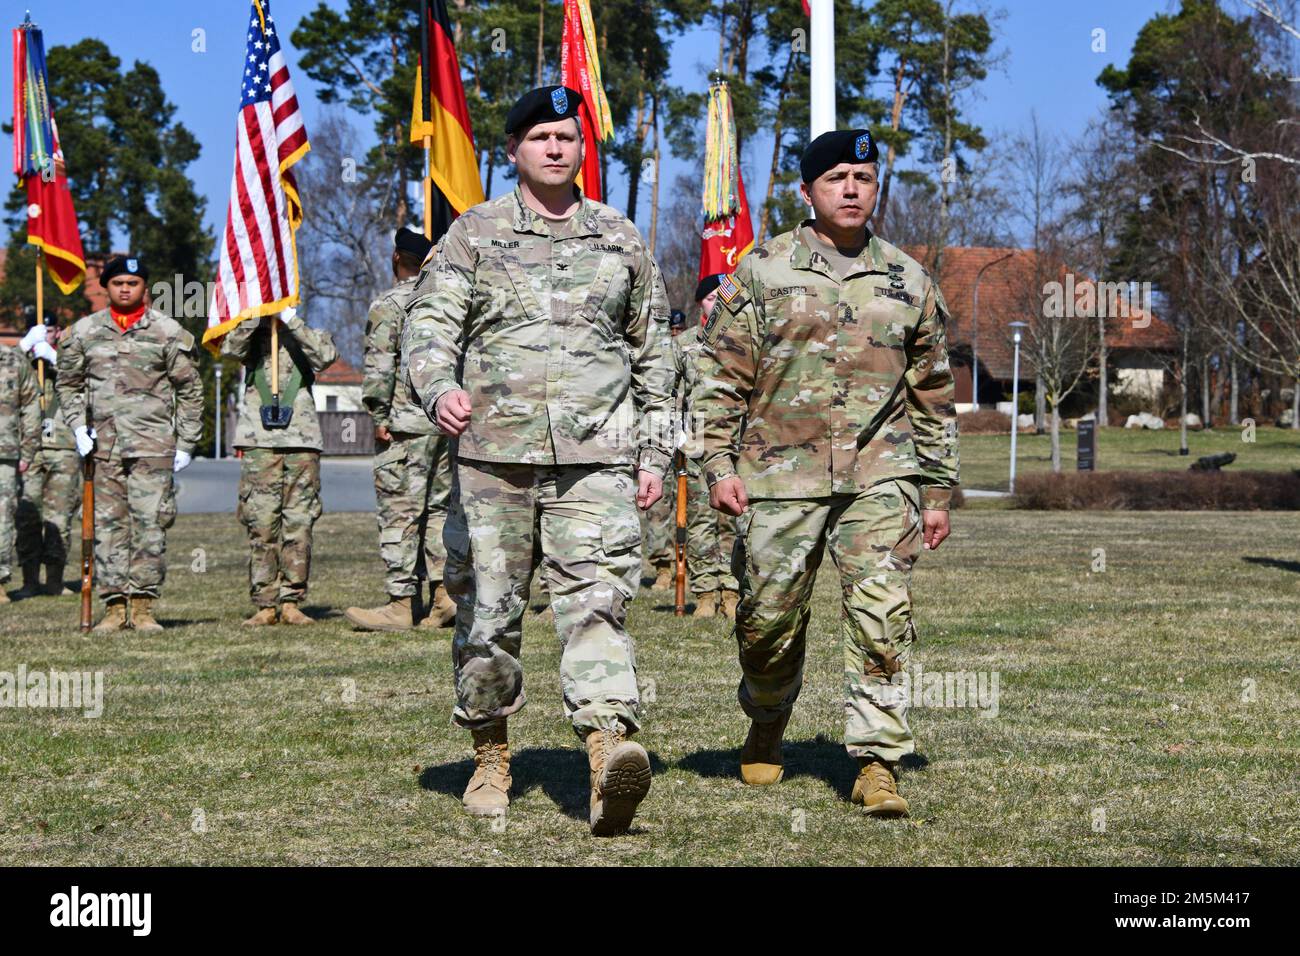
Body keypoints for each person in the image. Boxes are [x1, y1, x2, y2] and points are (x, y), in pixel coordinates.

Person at [404, 85, 675, 835]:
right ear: (515, 151)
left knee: (599, 608)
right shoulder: (474, 234)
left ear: (582, 148)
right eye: (540, 138)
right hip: (495, 461)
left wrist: (655, 448)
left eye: (567, 136)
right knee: (489, 615)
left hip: (598, 460)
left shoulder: (620, 238)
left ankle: (606, 755)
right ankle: (491, 752)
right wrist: (438, 388)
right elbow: (428, 324)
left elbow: (657, 352)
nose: (555, 148)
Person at [691, 130, 959, 817]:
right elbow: (721, 378)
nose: (850, 188)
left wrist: (934, 490)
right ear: (807, 190)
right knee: (767, 624)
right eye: (836, 176)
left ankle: (877, 762)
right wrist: (718, 465)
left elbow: (932, 390)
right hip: (779, 479)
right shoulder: (763, 270)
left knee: (881, 619)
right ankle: (768, 716)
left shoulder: (909, 278)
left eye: (863, 178)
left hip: (881, 476)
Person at [57, 255, 204, 631]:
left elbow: (189, 390)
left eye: (133, 283)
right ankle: (113, 605)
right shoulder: (84, 332)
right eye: (118, 282)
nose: (125, 288)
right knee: (108, 527)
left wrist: (187, 442)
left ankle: (142, 605)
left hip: (152, 447)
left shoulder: (168, 332)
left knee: (151, 524)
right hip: (101, 448)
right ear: (106, 287)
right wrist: (76, 427)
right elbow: (68, 385)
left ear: (145, 288)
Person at [346, 227, 455, 631]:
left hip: (406, 426)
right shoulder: (446, 299)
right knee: (442, 510)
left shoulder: (389, 303)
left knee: (400, 513)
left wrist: (378, 414)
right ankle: (444, 597)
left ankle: (401, 603)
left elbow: (379, 366)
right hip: (445, 423)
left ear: (396, 258)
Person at [222, 307, 338, 627]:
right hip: (259, 442)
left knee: (299, 524)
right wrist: (255, 319)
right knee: (261, 523)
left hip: (302, 442)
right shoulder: (251, 335)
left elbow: (326, 356)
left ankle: (291, 600)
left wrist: (291, 321)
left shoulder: (310, 334)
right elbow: (229, 349)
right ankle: (265, 601)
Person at [677, 277, 739, 619]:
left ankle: (731, 589)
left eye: (722, 298)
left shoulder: (740, 340)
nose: (716, 303)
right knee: (699, 522)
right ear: (699, 303)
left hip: (735, 443)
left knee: (734, 519)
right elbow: (670, 393)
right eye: (710, 298)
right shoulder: (684, 344)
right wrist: (669, 438)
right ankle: (705, 592)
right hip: (697, 444)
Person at [14, 320, 80, 597]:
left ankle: (55, 579)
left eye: (52, 329)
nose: (49, 333)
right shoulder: (19, 363)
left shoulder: (68, 359)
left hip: (63, 447)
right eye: (42, 330)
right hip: (28, 448)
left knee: (60, 517)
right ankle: (30, 581)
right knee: (27, 517)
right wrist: (23, 348)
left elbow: (88, 376)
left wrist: (54, 358)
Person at [0, 332, 40, 603]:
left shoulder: (13, 359)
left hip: (4, 451)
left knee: (2, 519)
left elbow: (31, 407)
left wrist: (28, 450)